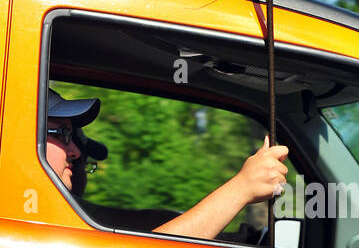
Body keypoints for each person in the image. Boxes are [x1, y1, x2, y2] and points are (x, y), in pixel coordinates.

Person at [45, 88, 288, 240]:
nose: (76, 152)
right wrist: (241, 189)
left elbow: (128, 225)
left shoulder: (49, 213)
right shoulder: (31, 220)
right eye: (62, 134)